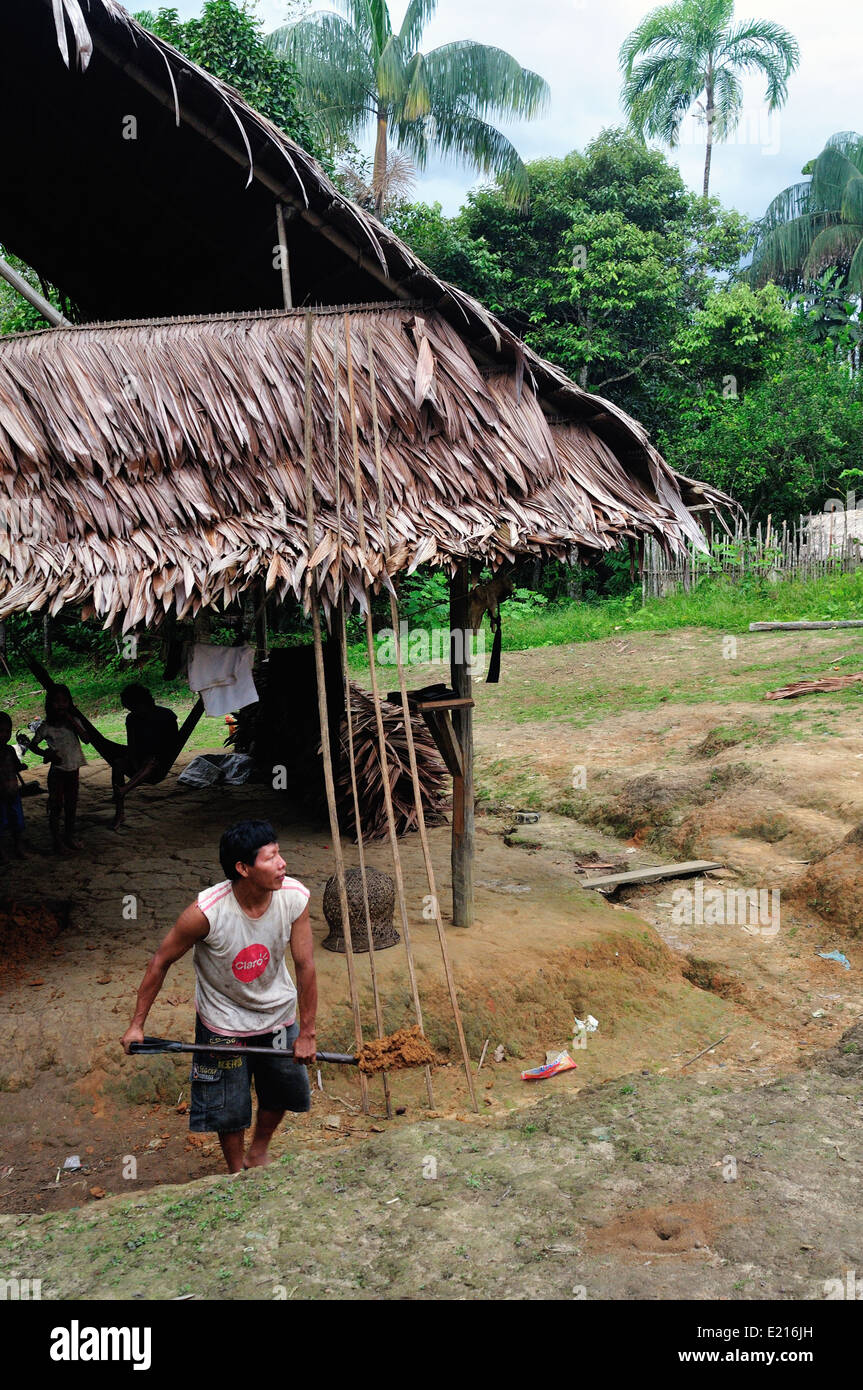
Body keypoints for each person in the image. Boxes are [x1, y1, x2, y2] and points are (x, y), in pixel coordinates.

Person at [121, 820, 317, 1173]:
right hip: (223, 1022)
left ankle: (258, 1151)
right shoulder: (206, 912)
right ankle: (235, 1170)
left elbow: (305, 966)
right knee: (228, 1105)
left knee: (281, 1090)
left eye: (280, 854)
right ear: (243, 868)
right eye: (271, 858)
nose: (283, 864)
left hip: (277, 1014)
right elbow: (160, 962)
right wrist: (137, 1025)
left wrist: (307, 1033)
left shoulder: (293, 897)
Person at [70, 683, 180, 829]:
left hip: (160, 760)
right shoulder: (132, 718)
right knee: (118, 764)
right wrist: (134, 762)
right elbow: (132, 745)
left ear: (143, 703)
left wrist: (152, 758)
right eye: (130, 709)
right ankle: (119, 813)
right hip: (140, 758)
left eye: (133, 707)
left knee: (151, 761)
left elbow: (171, 745)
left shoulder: (166, 716)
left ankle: (123, 790)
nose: (132, 711)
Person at [30, 684, 87, 852]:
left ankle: (69, 836)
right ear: (50, 705)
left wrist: (72, 720)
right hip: (57, 773)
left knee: (71, 805)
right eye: (57, 702)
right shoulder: (46, 726)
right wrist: (46, 754)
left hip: (73, 771)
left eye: (65, 701)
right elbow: (33, 745)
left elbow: (86, 739)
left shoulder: (74, 722)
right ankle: (56, 840)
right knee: (56, 806)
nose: (61, 705)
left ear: (70, 703)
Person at [0, 713, 26, 861]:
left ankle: (18, 847)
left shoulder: (10, 750)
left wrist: (21, 766)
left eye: (7, 731)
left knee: (17, 822)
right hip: (0, 795)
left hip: (13, 792)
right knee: (1, 823)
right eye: (0, 731)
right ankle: (2, 851)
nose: (4, 735)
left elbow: (16, 765)